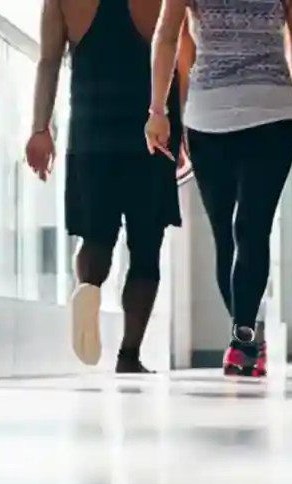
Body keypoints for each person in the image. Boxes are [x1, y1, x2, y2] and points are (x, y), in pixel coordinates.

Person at [146, 0, 292, 377]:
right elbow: (166, 36)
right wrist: (157, 110)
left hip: (272, 117)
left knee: (250, 226)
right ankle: (247, 336)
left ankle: (242, 340)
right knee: (227, 236)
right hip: (209, 121)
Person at [25, 0, 184, 374]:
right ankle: (129, 355)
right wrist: (183, 131)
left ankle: (89, 287)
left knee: (95, 238)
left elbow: (49, 61)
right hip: (152, 132)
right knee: (146, 247)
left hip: (91, 129)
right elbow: (178, 53)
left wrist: (39, 128)